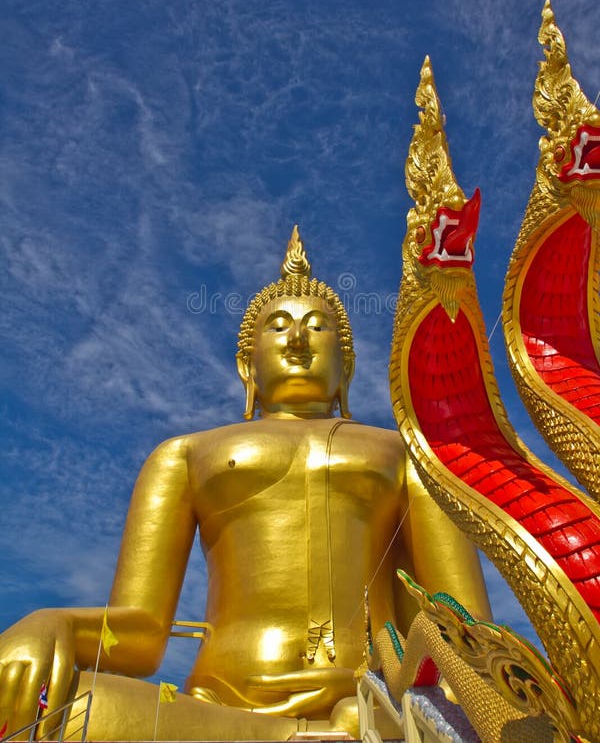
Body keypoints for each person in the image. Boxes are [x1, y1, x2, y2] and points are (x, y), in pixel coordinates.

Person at [0, 227, 491, 740]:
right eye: (278, 326)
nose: (297, 340)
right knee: (63, 703)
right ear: (246, 367)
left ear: (346, 369)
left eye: (317, 327)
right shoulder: (185, 455)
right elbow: (142, 633)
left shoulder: (406, 455)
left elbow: (468, 630)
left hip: (372, 706)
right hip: (217, 715)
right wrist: (54, 624)